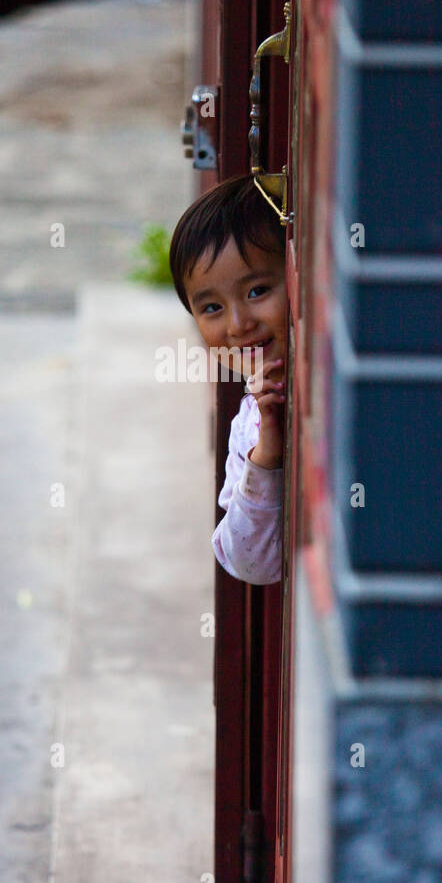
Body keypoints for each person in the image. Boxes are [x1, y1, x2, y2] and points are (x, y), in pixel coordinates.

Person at [169, 174, 287, 585]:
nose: (239, 324)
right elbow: (251, 564)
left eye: (257, 291)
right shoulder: (248, 425)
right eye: (213, 307)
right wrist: (265, 459)